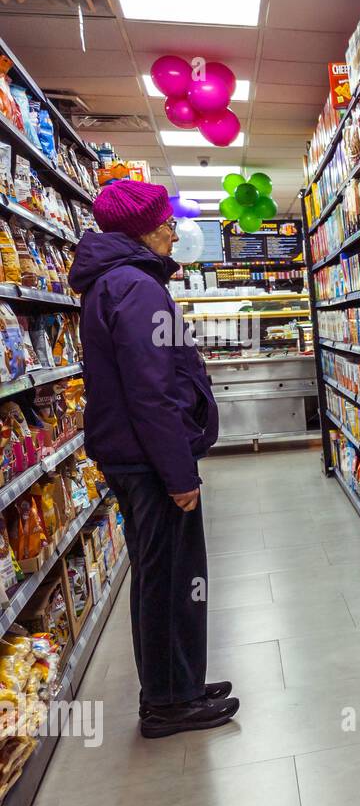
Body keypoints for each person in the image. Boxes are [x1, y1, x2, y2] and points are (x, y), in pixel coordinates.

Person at [69, 180, 239, 738]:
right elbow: (151, 389)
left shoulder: (113, 283)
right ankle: (169, 702)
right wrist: (179, 473)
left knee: (160, 575)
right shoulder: (134, 287)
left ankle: (180, 683)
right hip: (150, 462)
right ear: (140, 228)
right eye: (164, 219)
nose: (173, 228)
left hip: (134, 458)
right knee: (170, 580)